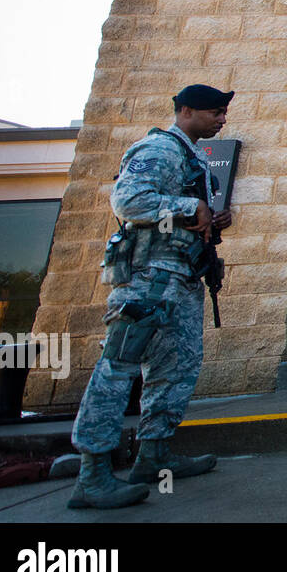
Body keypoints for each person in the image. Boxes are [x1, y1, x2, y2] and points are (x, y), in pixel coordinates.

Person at [67, 84, 234, 508]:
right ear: (186, 111)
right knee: (119, 367)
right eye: (214, 111)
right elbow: (128, 201)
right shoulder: (160, 149)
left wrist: (212, 220)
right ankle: (92, 475)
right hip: (148, 279)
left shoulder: (192, 155)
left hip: (180, 278)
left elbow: (181, 213)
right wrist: (185, 208)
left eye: (223, 112)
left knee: (176, 366)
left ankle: (154, 455)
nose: (221, 119)